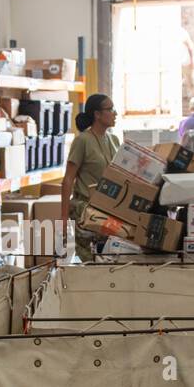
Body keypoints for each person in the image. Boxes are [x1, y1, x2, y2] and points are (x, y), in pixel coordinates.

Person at [60, 94, 122, 263]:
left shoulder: (114, 139)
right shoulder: (82, 141)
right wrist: (64, 219)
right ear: (97, 114)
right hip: (85, 212)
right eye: (110, 109)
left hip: (108, 212)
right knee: (89, 263)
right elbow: (67, 180)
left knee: (109, 262)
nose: (115, 113)